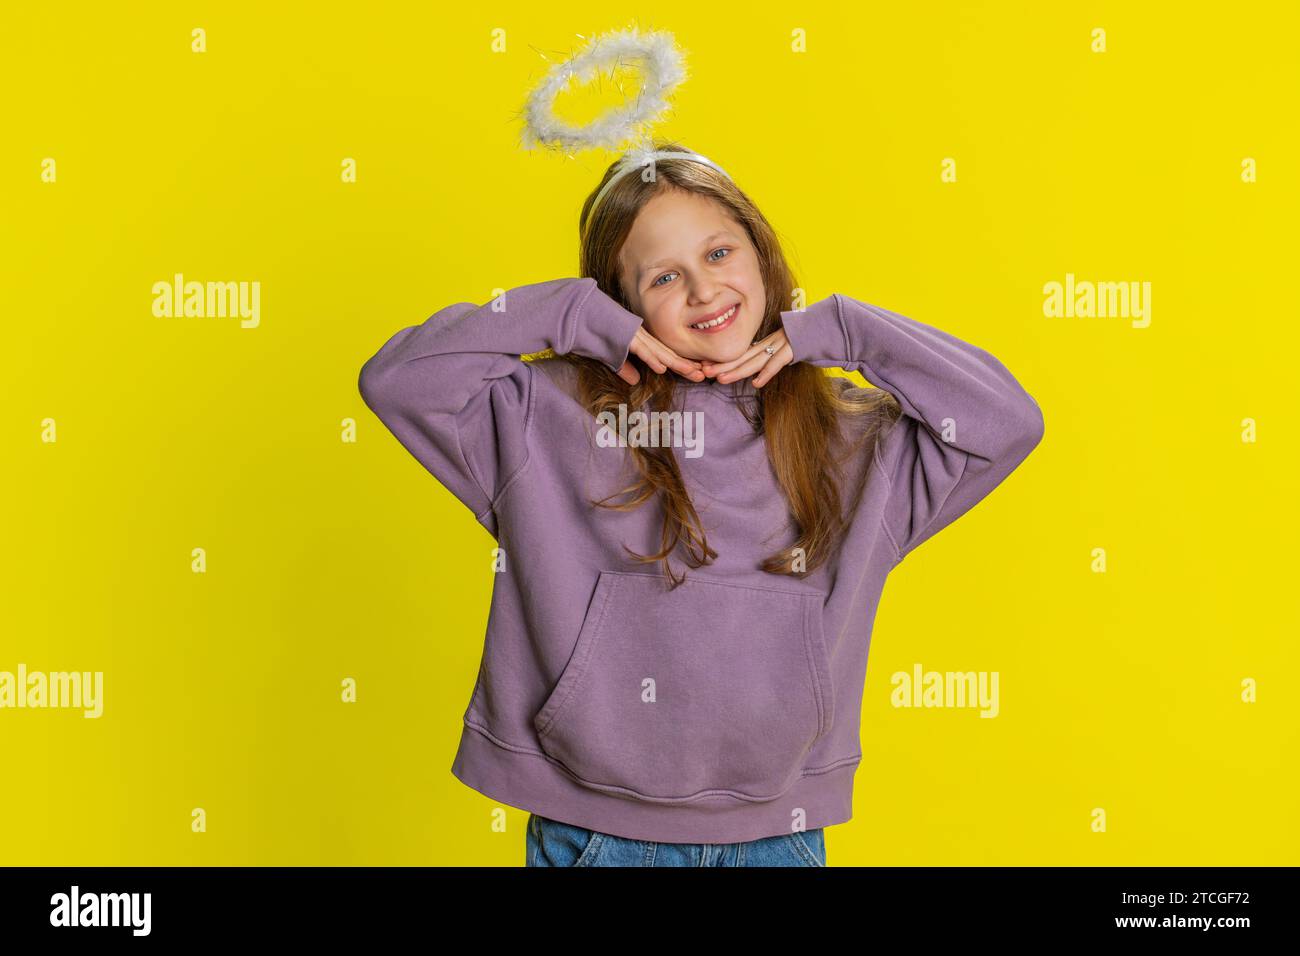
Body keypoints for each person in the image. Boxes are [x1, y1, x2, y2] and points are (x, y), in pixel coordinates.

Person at [357, 139, 1045, 867]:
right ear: (618, 306)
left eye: (720, 253)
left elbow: (1008, 420)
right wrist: (565, 313)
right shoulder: (544, 417)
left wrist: (845, 330)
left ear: (763, 256)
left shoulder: (853, 439)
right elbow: (397, 381)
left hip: (778, 833)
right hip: (595, 830)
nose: (703, 291)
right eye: (662, 277)